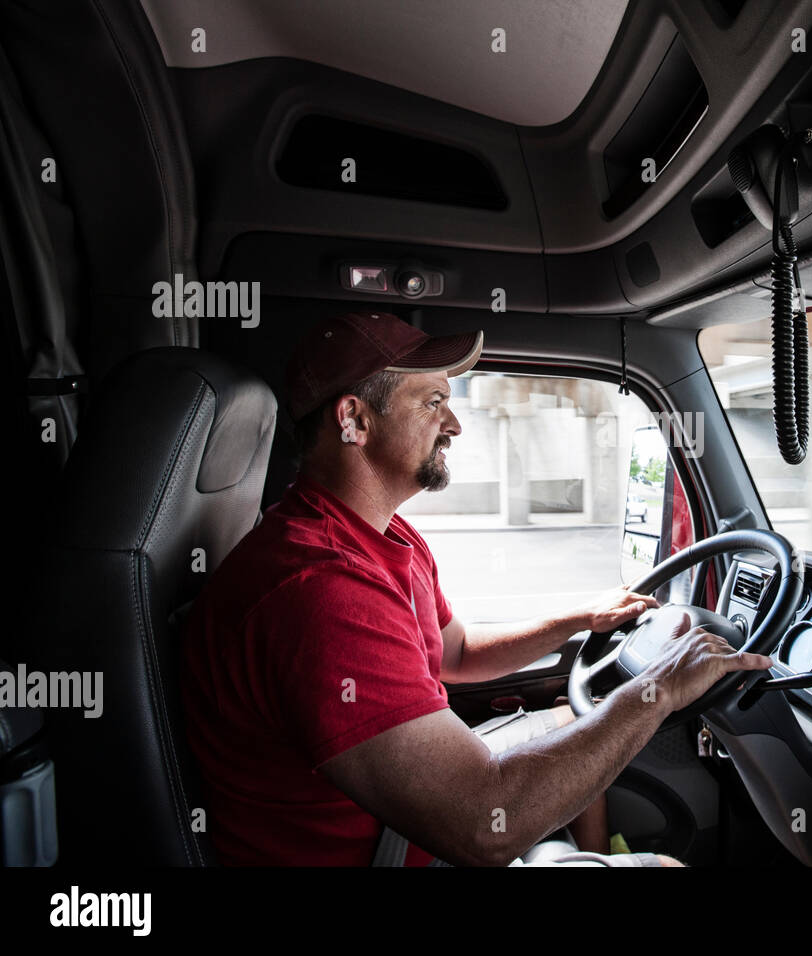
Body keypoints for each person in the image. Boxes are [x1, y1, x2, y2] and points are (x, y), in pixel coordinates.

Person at [180, 311, 771, 866]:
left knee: (570, 718)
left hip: (406, 821)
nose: (455, 423)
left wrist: (578, 617)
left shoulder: (385, 535)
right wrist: (659, 691)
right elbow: (487, 820)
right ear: (354, 420)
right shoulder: (322, 591)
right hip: (394, 852)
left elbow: (453, 652)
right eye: (434, 402)